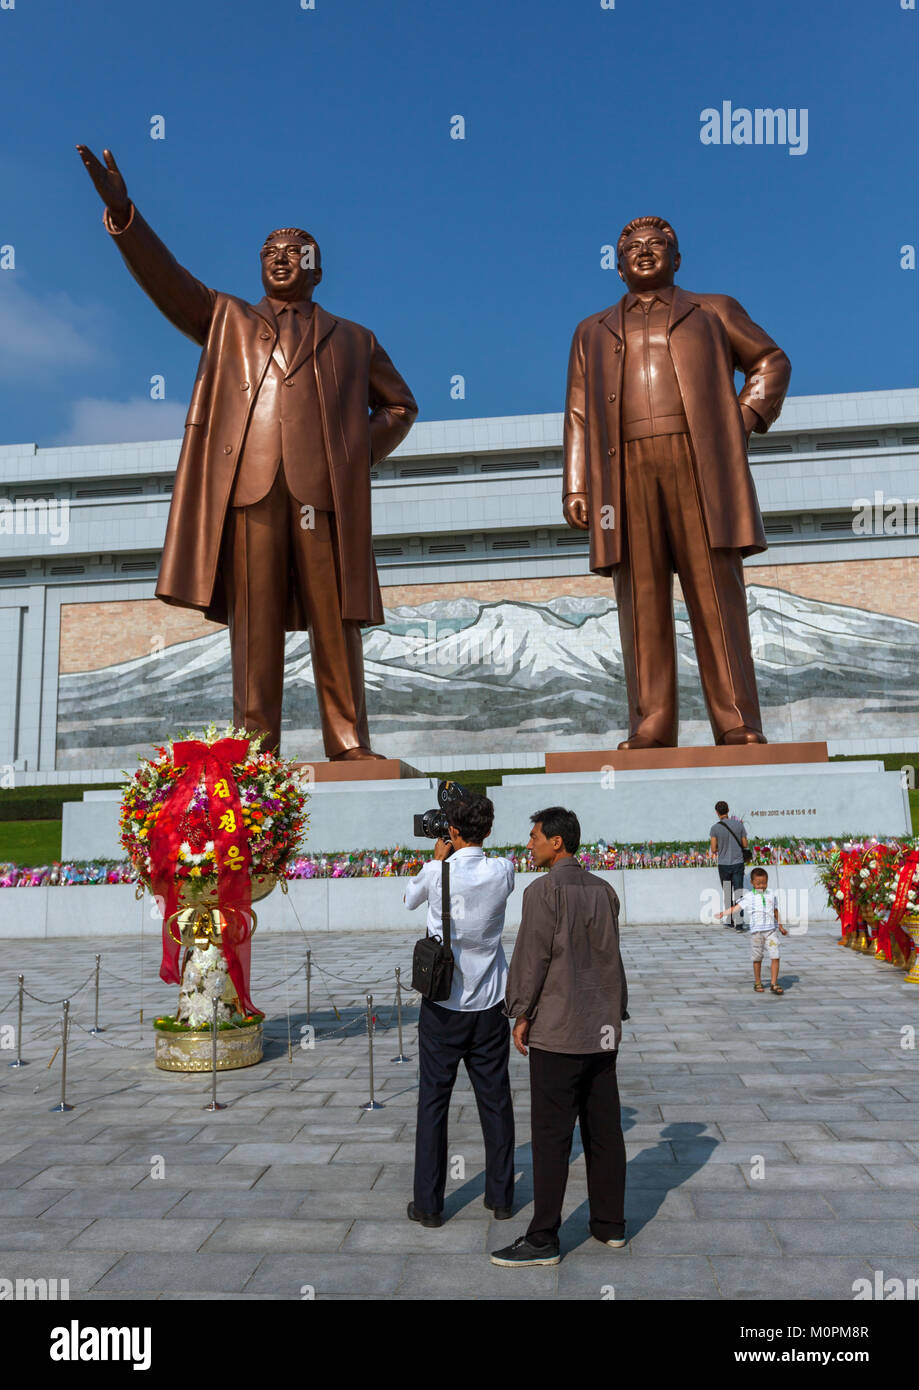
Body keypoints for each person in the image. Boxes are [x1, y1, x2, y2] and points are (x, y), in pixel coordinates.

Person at [77, 145, 417, 760]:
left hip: (323, 497)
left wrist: (351, 453)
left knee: (335, 619)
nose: (281, 261)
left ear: (317, 269)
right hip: (251, 487)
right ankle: (254, 750)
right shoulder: (226, 319)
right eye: (270, 254)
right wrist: (124, 213)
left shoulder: (355, 340)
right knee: (253, 624)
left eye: (295, 255)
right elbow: (169, 282)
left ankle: (347, 741)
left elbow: (400, 407)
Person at [562, 215, 791, 748]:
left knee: (716, 592)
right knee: (640, 598)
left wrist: (740, 421)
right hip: (623, 472)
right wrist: (577, 484)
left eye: (656, 245)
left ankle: (737, 721)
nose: (644, 253)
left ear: (677, 258)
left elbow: (770, 361)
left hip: (698, 464)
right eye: (632, 248)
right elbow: (577, 411)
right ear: (617, 267)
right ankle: (651, 723)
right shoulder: (591, 331)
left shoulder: (713, 310)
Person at [491, 807, 628, 1268]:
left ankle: (544, 1237)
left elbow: (532, 959)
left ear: (556, 843)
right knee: (603, 1131)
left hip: (559, 1031)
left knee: (551, 1138)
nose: (528, 845)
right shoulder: (604, 890)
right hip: (602, 1029)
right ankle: (609, 1225)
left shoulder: (543, 891)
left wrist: (521, 1013)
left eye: (533, 837)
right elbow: (611, 960)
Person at [403, 793, 516, 1227]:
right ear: (488, 831)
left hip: (443, 1004)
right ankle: (501, 1198)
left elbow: (408, 899)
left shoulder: (436, 872)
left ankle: (429, 1206)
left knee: (433, 1102)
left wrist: (435, 860)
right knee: (496, 1102)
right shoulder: (504, 871)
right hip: (490, 1003)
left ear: (450, 831)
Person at [714, 866, 787, 994]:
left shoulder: (771, 895)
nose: (761, 886)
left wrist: (780, 925)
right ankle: (758, 982)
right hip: (757, 933)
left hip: (771, 932)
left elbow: (775, 910)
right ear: (752, 883)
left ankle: (774, 983)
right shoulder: (749, 897)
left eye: (764, 883)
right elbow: (737, 908)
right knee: (757, 957)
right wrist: (724, 913)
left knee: (776, 955)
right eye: (758, 883)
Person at [711, 800, 749, 931]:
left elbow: (713, 849)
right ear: (728, 810)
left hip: (723, 864)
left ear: (717, 812)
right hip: (738, 863)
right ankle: (739, 922)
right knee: (738, 891)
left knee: (727, 891)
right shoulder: (739, 825)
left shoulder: (715, 828)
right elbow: (745, 844)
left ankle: (729, 920)